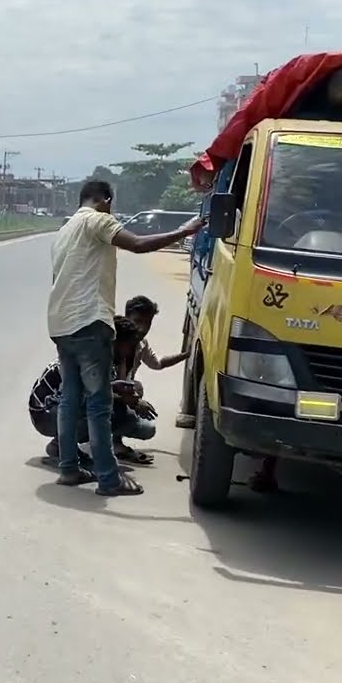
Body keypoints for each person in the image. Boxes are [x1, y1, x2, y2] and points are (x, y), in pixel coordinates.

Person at [48, 179, 204, 495]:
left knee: (70, 399)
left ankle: (69, 470)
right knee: (98, 404)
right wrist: (185, 231)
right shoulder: (98, 219)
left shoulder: (65, 231)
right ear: (106, 200)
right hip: (89, 321)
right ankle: (108, 479)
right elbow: (138, 244)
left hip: (61, 324)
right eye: (112, 205)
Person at [30, 315, 150, 470]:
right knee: (104, 408)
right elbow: (88, 392)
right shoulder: (91, 357)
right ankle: (63, 448)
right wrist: (124, 397)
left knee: (125, 415)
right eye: (127, 346)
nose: (129, 351)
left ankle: (64, 444)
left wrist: (126, 393)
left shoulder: (107, 357)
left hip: (58, 407)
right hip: (44, 413)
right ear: (115, 342)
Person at [114, 295, 190, 464]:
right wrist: (132, 401)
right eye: (137, 321)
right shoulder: (114, 340)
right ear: (127, 318)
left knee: (147, 429)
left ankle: (112, 437)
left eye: (147, 323)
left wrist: (185, 355)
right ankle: (110, 442)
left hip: (119, 397)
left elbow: (158, 363)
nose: (141, 328)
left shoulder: (142, 345)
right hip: (104, 396)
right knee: (133, 390)